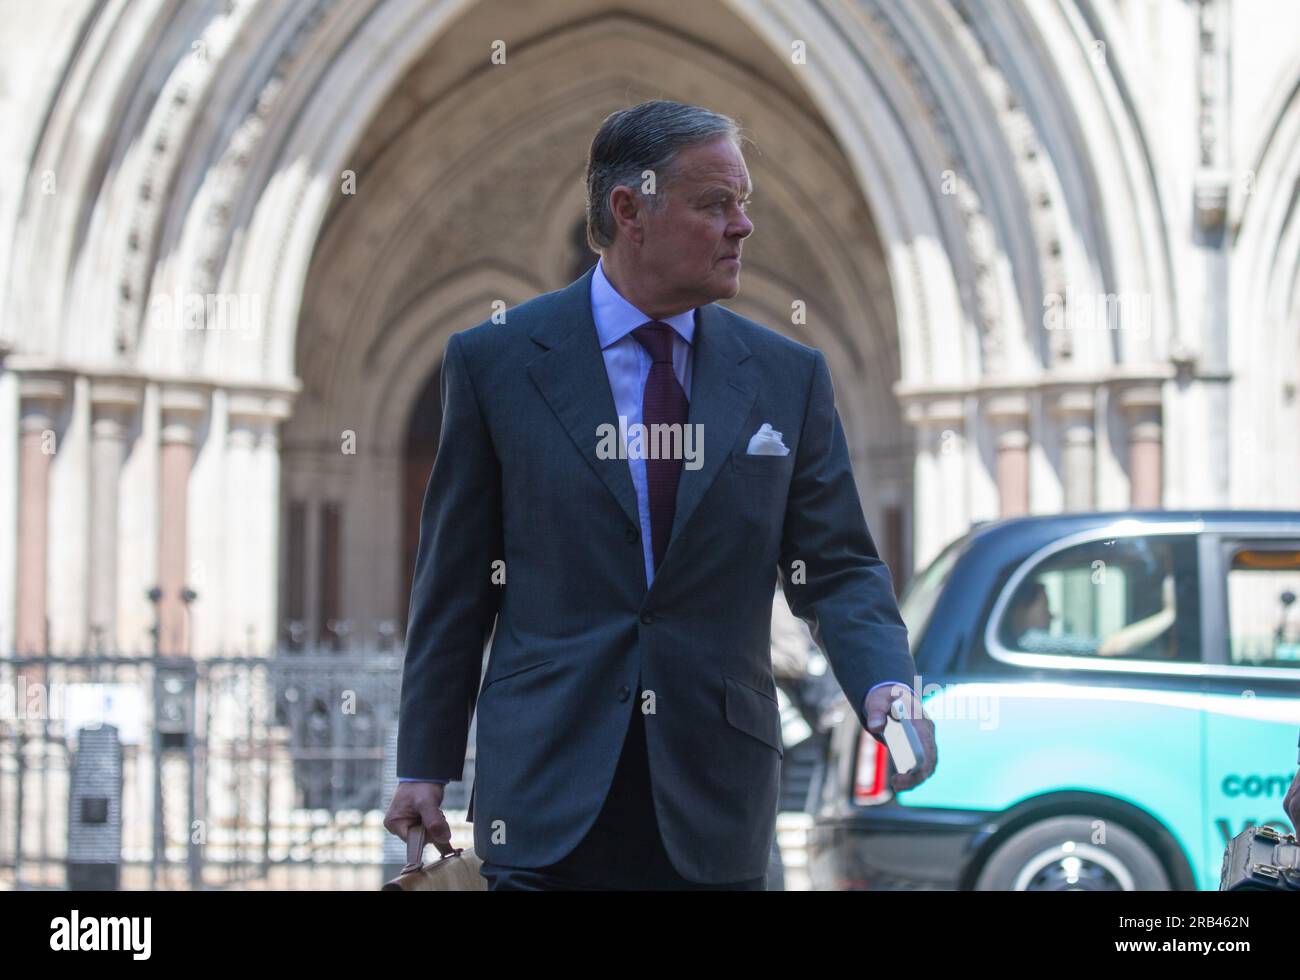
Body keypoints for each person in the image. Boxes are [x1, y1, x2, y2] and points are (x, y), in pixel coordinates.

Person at [383, 100, 937, 890]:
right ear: (629, 210)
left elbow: (839, 568)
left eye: (743, 202)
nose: (742, 225)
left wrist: (885, 683)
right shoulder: (494, 364)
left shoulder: (788, 378)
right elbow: (455, 585)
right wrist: (423, 766)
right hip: (544, 799)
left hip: (716, 803)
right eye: (716, 204)